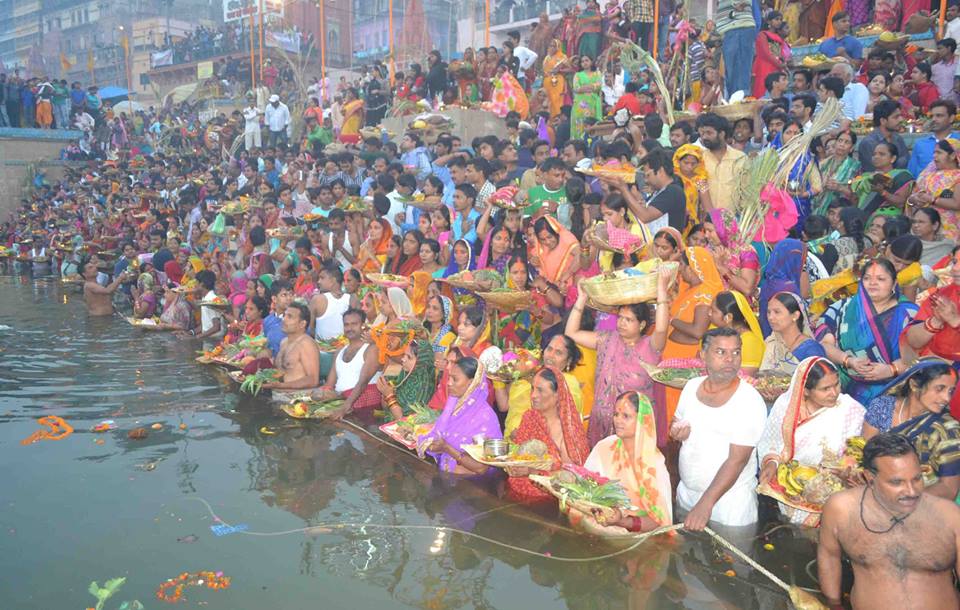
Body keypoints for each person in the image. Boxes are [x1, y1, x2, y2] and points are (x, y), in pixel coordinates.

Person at [818, 432, 960, 610]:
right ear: (870, 478)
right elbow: (829, 556)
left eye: (917, 479)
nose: (911, 491)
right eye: (897, 482)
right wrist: (834, 604)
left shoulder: (950, 516)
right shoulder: (842, 509)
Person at [670, 328, 768, 529]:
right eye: (721, 352)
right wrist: (677, 433)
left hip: (729, 504)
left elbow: (737, 460)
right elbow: (675, 425)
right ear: (703, 355)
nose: (730, 359)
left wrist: (706, 504)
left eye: (736, 352)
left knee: (730, 558)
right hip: (688, 494)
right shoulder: (691, 387)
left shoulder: (748, 400)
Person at [566, 268, 671, 446]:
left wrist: (661, 291)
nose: (621, 323)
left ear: (642, 324)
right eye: (620, 318)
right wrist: (582, 298)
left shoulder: (650, 346)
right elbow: (571, 333)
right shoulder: (607, 339)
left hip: (636, 430)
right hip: (603, 425)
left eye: (628, 320)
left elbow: (661, 328)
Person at [758, 357, 866, 525]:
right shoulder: (785, 408)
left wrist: (847, 468)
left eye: (836, 384)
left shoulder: (850, 409)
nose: (834, 393)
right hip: (790, 488)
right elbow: (772, 442)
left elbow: (857, 449)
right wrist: (771, 463)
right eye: (825, 389)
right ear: (806, 390)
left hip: (833, 492)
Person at [818, 258, 919, 404]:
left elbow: (920, 357)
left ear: (894, 283)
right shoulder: (842, 308)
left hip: (894, 394)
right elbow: (824, 344)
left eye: (881, 279)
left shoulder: (909, 314)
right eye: (867, 278)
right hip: (841, 391)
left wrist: (891, 369)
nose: (872, 283)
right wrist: (848, 360)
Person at [574, 392, 672, 533]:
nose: (618, 420)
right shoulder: (605, 447)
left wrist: (622, 521)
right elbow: (584, 487)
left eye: (626, 416)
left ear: (642, 420)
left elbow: (660, 520)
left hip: (635, 537)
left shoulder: (653, 462)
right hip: (597, 525)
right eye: (616, 414)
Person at [862, 359, 960, 500]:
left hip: (918, 503)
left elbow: (948, 488)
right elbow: (866, 454)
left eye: (950, 391)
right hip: (873, 488)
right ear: (914, 385)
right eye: (939, 389)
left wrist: (902, 498)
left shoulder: (947, 429)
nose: (946, 398)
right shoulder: (883, 407)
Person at [505, 367, 590, 501]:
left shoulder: (568, 430)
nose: (533, 395)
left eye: (540, 390)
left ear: (558, 395)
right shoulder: (530, 417)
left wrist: (531, 472)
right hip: (516, 493)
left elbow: (572, 477)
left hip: (551, 500)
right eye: (533, 388)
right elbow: (518, 455)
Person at [662, 247, 724, 421]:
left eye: (683, 264)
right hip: (672, 356)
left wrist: (671, 320)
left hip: (685, 359)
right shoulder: (690, 289)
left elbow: (698, 331)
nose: (680, 269)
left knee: (679, 411)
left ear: (694, 267)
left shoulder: (706, 292)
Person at [417, 357, 502, 474]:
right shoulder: (453, 408)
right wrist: (433, 445)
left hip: (474, 486)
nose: (449, 383)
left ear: (472, 383)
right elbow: (437, 437)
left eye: (455, 379)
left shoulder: (486, 418)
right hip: (447, 477)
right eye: (449, 377)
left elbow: (481, 468)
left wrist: (447, 448)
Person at [761, 291, 827, 375]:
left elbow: (820, 383)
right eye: (769, 312)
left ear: (795, 315)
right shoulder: (773, 344)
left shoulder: (811, 349)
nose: (770, 317)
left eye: (777, 312)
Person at [261, 302, 321, 392]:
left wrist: (282, 386)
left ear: (302, 324)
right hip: (277, 396)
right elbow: (281, 372)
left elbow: (312, 380)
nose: (284, 319)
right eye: (284, 315)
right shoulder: (284, 342)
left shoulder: (306, 344)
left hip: (295, 400)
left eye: (290, 317)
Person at [908, 138, 960, 238]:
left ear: (953, 156)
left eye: (939, 153)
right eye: (934, 152)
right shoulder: (928, 174)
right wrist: (913, 200)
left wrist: (932, 199)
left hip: (948, 231)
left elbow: (957, 203)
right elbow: (912, 197)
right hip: (923, 229)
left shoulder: (957, 176)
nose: (934, 156)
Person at [758, 238, 809, 336]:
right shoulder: (788, 289)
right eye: (802, 260)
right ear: (794, 259)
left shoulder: (770, 281)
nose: (802, 264)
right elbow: (805, 294)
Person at [696, 113, 747, 210]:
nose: (704, 137)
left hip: (732, 219)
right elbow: (700, 187)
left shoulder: (740, 158)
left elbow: (745, 191)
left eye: (709, 133)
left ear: (722, 134)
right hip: (705, 220)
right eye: (702, 133)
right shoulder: (699, 158)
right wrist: (713, 217)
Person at [377, 339, 436, 420]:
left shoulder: (423, 387)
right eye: (404, 355)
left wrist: (389, 396)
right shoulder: (405, 374)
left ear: (420, 361)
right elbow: (385, 407)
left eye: (409, 357)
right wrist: (385, 391)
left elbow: (404, 421)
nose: (403, 359)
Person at [704, 210, 759, 297]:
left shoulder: (746, 252)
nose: (706, 235)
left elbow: (747, 289)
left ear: (723, 229)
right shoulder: (708, 250)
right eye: (705, 231)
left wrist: (721, 267)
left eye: (710, 231)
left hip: (735, 306)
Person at [709, 291, 765, 375]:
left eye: (714, 311)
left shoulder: (750, 342)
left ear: (728, 317)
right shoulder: (717, 332)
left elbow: (744, 376)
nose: (709, 313)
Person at [907, 100, 960, 178]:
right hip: (923, 188)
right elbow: (911, 175)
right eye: (932, 116)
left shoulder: (958, 142)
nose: (934, 119)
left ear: (951, 118)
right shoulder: (921, 144)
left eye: (939, 116)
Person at [715, 0, 756, 97]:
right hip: (731, 28)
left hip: (738, 26)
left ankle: (739, 104)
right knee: (732, 73)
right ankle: (736, 102)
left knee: (739, 72)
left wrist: (739, 2)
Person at [815, 129, 861, 214]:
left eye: (847, 142)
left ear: (852, 148)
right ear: (835, 143)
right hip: (817, 207)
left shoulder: (856, 167)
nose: (842, 144)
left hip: (840, 211)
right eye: (840, 140)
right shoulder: (822, 164)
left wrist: (840, 188)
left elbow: (857, 194)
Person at [856, 100, 908, 173]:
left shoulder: (898, 139)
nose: (901, 119)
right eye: (896, 117)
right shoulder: (869, 143)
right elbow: (872, 173)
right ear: (883, 121)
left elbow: (906, 164)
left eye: (900, 116)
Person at [752, 12, 789, 100]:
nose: (779, 22)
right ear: (769, 21)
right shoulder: (762, 35)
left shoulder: (778, 37)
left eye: (780, 19)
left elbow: (780, 53)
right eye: (776, 19)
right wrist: (780, 64)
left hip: (776, 66)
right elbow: (766, 53)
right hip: (764, 66)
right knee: (763, 88)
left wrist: (783, 63)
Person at [571, 55, 602, 140]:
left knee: (592, 122)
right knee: (580, 124)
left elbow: (598, 86)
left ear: (591, 62)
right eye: (582, 61)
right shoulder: (577, 75)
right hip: (580, 105)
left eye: (586, 60)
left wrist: (584, 87)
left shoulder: (597, 73)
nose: (584, 63)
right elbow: (576, 88)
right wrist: (590, 87)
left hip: (593, 103)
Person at [542, 40, 570, 118]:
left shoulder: (562, 56)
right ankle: (550, 119)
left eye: (554, 46)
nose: (551, 48)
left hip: (557, 81)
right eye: (550, 46)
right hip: (547, 82)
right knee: (548, 101)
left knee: (557, 100)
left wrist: (559, 70)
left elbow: (570, 69)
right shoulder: (547, 58)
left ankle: (557, 117)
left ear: (558, 47)